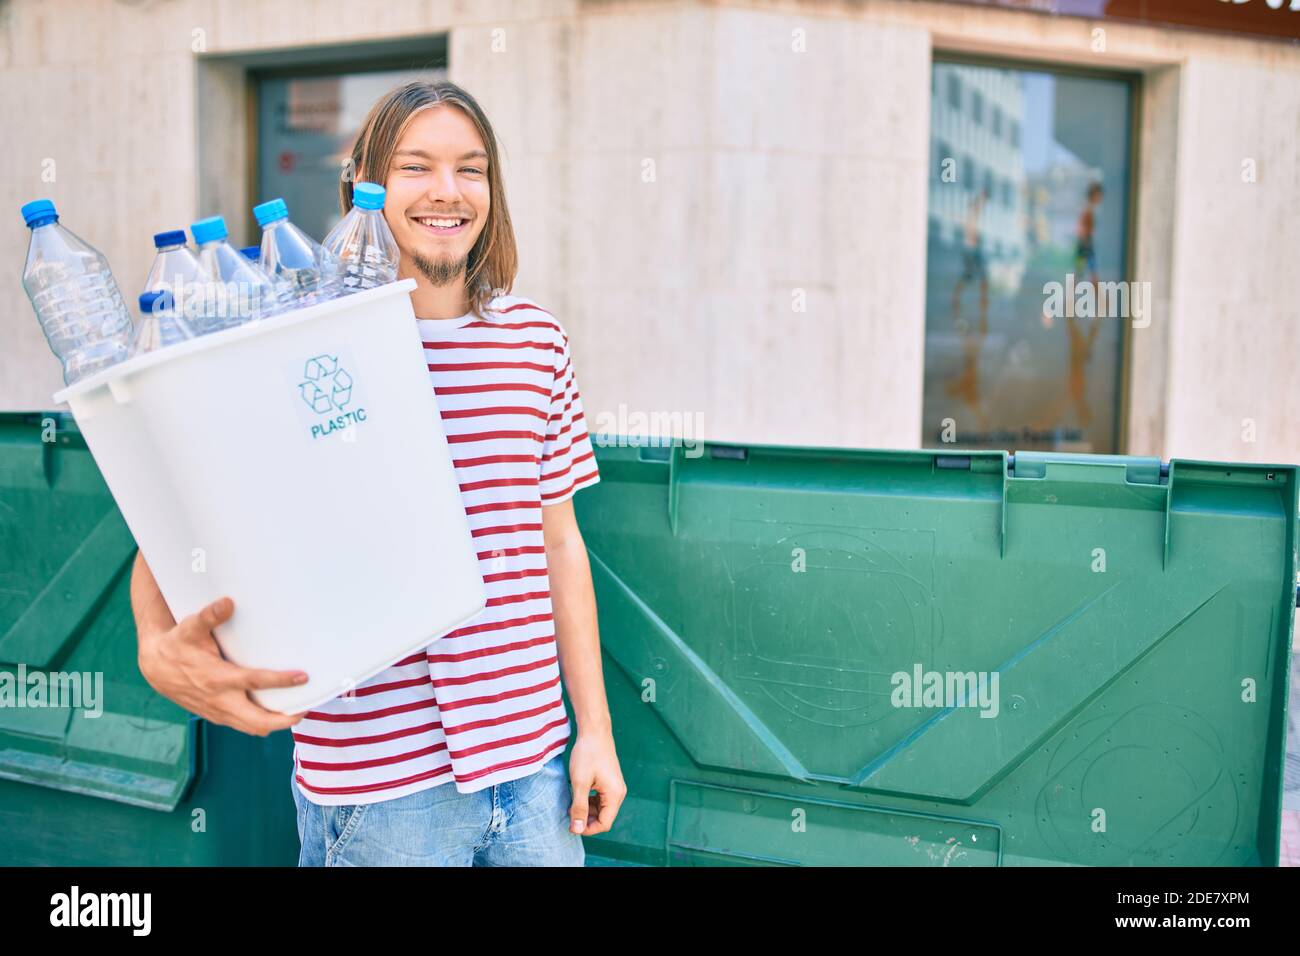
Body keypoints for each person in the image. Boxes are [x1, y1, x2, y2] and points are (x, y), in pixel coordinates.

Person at [129, 79, 626, 866]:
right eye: (414, 167)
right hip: (379, 790)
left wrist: (594, 733)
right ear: (363, 186)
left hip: (533, 774)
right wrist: (155, 645)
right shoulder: (297, 344)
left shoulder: (535, 341)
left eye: (471, 169)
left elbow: (558, 544)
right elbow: (177, 513)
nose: (446, 192)